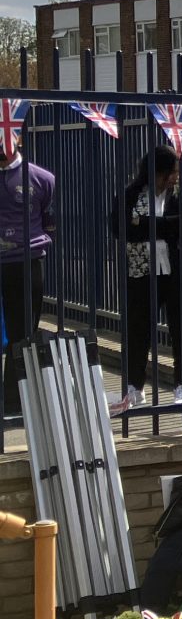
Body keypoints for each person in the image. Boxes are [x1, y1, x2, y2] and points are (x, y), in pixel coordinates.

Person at [113, 147, 182, 411]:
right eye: (170, 172)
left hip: (181, 272)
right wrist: (162, 225)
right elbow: (119, 228)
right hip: (143, 273)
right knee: (137, 331)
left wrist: (143, 223)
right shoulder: (130, 194)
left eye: (176, 172)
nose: (175, 177)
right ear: (156, 173)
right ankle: (134, 388)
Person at [0, 136, 53, 416]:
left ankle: (15, 403)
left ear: (16, 139)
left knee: (22, 334)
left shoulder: (41, 178)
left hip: (25, 262)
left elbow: (47, 218)